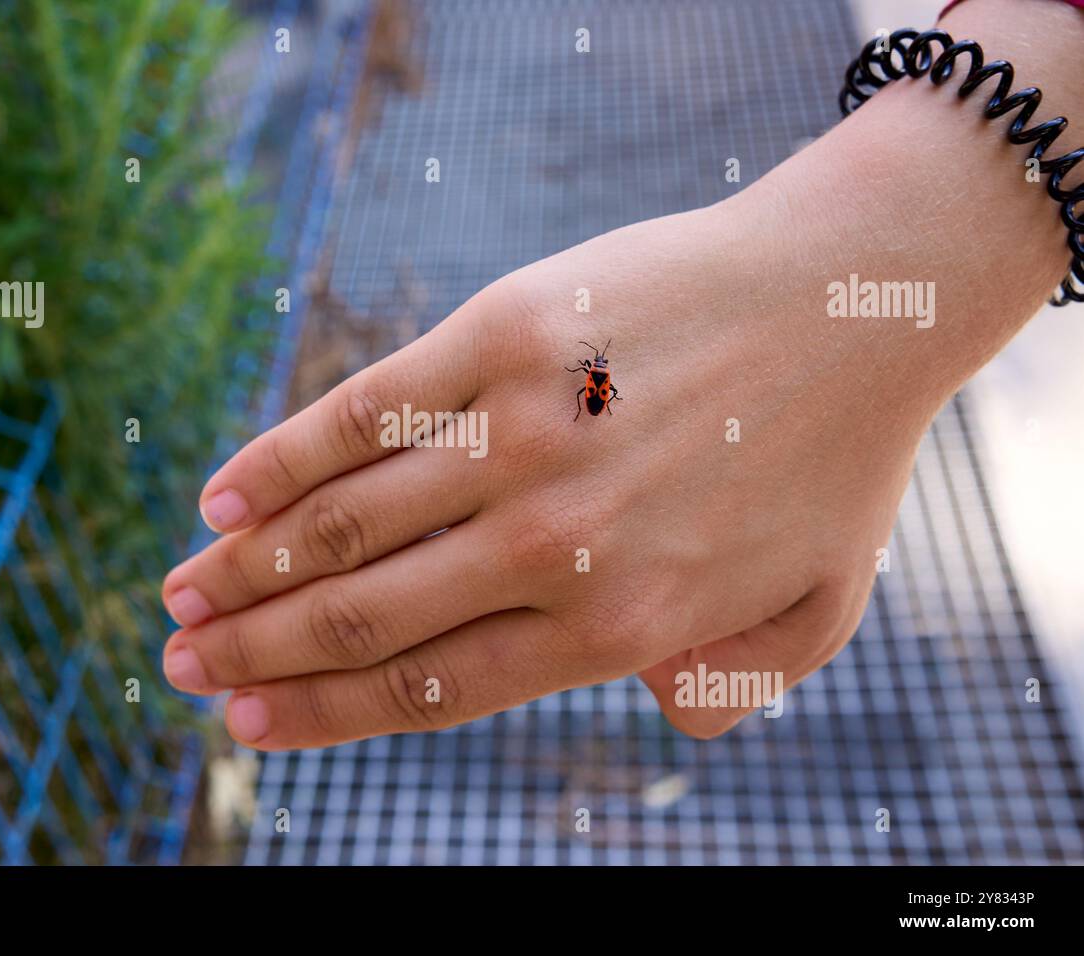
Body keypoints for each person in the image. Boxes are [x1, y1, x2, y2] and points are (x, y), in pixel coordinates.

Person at [159, 0, 1083, 750]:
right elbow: (594, 388)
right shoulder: (594, 381)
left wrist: (874, 271)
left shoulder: (596, 382)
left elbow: (596, 389)